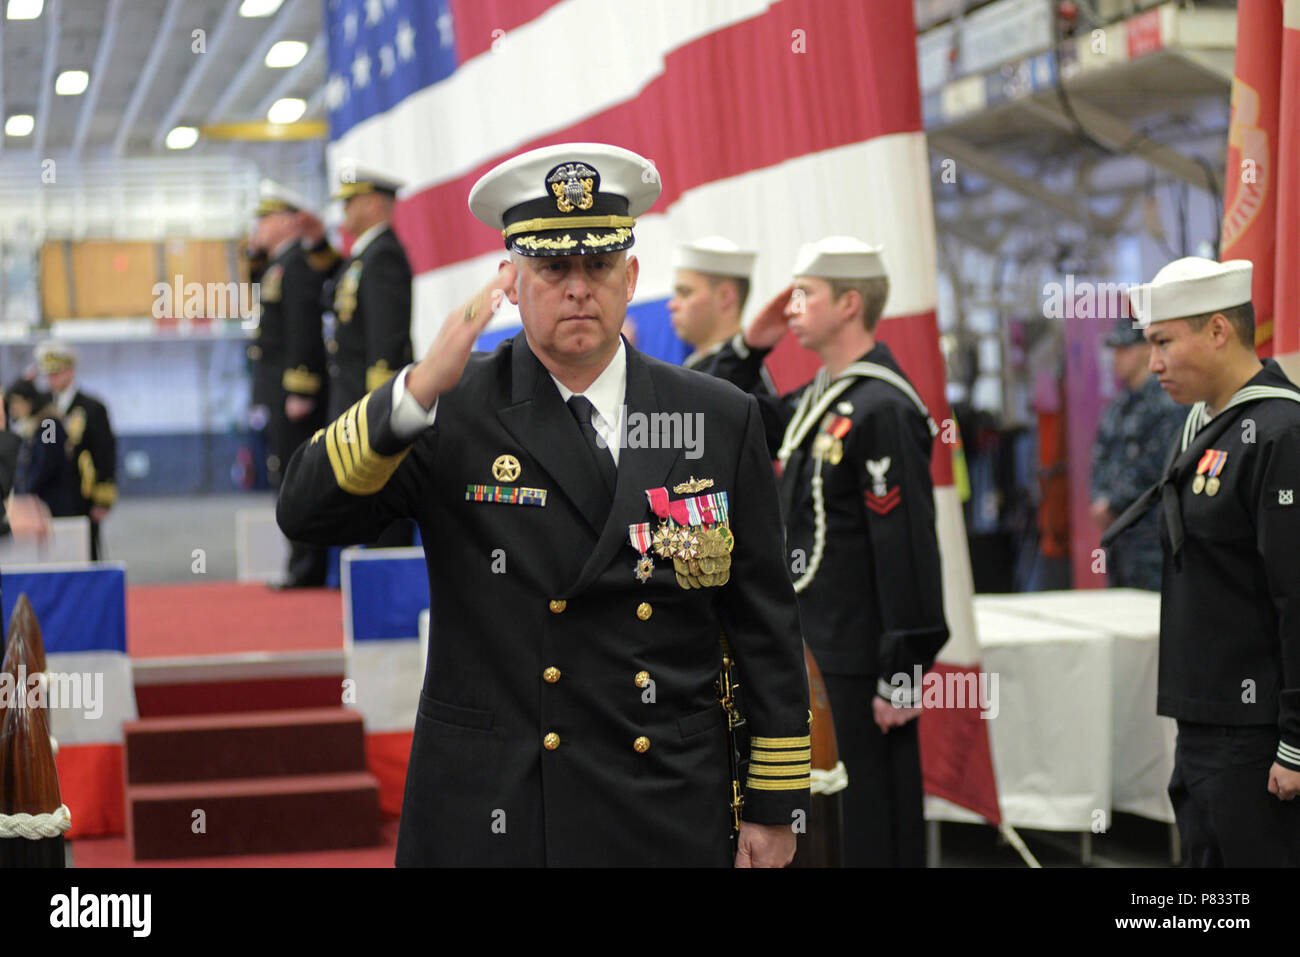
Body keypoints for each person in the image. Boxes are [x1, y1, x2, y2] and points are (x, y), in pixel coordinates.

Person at [277, 143, 810, 867]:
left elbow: (764, 624)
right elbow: (306, 513)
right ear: (513, 281)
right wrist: (414, 392)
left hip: (666, 798)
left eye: (598, 266)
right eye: (554, 268)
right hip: (504, 801)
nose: (578, 289)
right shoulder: (453, 410)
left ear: (631, 277)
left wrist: (775, 804)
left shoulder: (717, 416)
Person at [701, 236, 949, 867]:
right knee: (830, 825)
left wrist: (903, 670)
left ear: (849, 304)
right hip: (817, 646)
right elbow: (728, 416)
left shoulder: (883, 407)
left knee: (869, 822)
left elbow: (909, 549)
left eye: (805, 294)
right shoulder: (821, 398)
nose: (792, 306)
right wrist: (749, 346)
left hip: (862, 657)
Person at [1103, 256, 1300, 865]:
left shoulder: (1280, 432)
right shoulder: (1201, 424)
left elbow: (1295, 595)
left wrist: (1295, 739)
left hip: (1256, 733)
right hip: (1202, 721)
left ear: (1219, 330)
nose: (1153, 361)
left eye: (1164, 341)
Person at [249, 180, 330, 587]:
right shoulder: (277, 266)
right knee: (283, 476)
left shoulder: (297, 267)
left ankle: (306, 567)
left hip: (291, 394)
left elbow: (302, 331)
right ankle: (298, 563)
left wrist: (301, 387)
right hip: (276, 390)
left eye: (265, 218)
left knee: (297, 479)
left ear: (286, 222)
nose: (258, 227)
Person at [1089, 322, 1184, 590]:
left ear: (1145, 350)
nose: (1117, 357)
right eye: (1115, 350)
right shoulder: (1117, 407)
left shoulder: (1168, 402)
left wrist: (1114, 504)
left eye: (1124, 349)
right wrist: (1100, 500)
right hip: (1120, 538)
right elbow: (1100, 457)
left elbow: (1159, 467)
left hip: (1152, 538)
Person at [326, 163, 414, 419]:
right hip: (350, 389)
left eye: (351, 200)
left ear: (373, 203)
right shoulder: (363, 255)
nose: (344, 209)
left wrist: (379, 398)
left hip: (365, 398)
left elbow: (386, 333)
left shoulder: (383, 255)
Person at [35, 341, 116, 560]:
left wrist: (102, 499)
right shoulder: (41, 407)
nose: (52, 379)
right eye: (48, 374)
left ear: (70, 370)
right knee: (49, 555)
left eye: (57, 373)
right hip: (47, 497)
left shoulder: (92, 407)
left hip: (81, 494)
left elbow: (105, 453)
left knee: (85, 553)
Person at [669, 236, 758, 372]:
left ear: (725, 297)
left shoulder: (744, 374)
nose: (672, 305)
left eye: (685, 293)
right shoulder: (693, 365)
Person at [5, 380, 78, 519]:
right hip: (38, 502)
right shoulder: (29, 427)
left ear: (30, 401)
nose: (13, 409)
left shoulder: (48, 423)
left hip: (52, 502)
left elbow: (47, 462)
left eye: (17, 402)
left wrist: (26, 491)